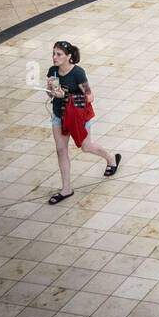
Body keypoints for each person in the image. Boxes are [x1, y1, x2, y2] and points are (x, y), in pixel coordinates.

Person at [46, 40, 120, 204]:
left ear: (68, 56)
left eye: (59, 54)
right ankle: (66, 189)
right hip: (59, 115)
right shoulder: (53, 71)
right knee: (61, 150)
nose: (54, 57)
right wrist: (51, 91)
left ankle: (110, 159)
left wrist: (64, 95)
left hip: (78, 116)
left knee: (86, 147)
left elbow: (89, 96)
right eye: (53, 54)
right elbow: (50, 95)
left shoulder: (78, 73)